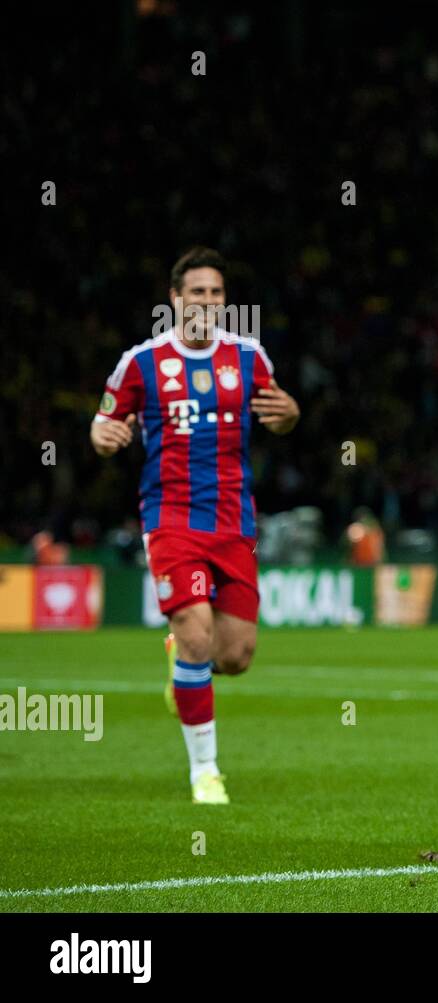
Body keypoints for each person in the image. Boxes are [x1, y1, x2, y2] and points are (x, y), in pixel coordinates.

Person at [90, 247, 300, 802]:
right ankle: (205, 771)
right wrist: (103, 435)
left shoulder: (250, 357)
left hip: (234, 522)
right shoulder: (140, 362)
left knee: (234, 657)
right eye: (197, 292)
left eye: (216, 293)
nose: (207, 301)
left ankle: (180, 662)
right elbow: (104, 421)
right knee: (197, 635)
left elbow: (281, 412)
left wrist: (291, 416)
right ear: (176, 299)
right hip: (171, 519)